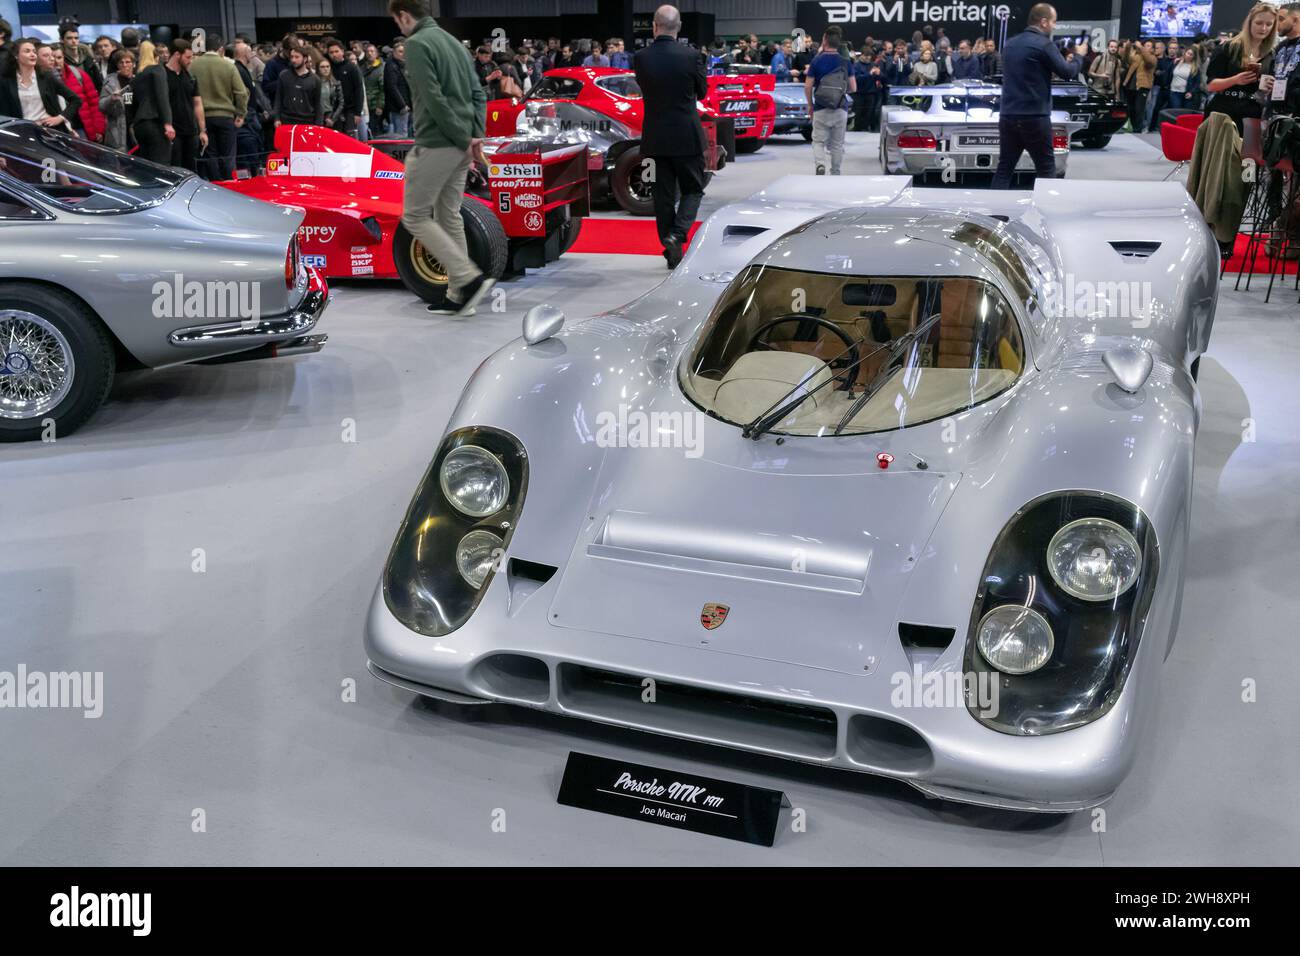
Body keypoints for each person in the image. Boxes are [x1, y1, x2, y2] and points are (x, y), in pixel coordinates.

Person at [388, 0, 494, 315]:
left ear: (404, 16)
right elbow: (478, 94)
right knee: (448, 216)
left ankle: (466, 278)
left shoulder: (417, 44)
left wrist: (462, 139)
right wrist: (475, 136)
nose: (399, 27)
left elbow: (432, 98)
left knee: (415, 216)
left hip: (438, 143)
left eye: (398, 21)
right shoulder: (453, 43)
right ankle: (459, 296)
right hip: (460, 143)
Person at [634, 5, 708, 270]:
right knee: (693, 189)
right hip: (687, 138)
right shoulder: (692, 57)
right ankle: (677, 234)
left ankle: (671, 251)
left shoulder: (641, 57)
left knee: (662, 196)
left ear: (654, 26)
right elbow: (703, 93)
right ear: (678, 27)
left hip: (654, 140)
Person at [992, 4, 1079, 189]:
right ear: (1044, 22)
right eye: (1054, 22)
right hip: (1034, 117)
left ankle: (995, 215)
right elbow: (1067, 72)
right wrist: (1079, 57)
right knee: (1046, 169)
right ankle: (1047, 214)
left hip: (1008, 115)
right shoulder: (1044, 45)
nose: (1054, 26)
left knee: (1004, 168)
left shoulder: (1010, 44)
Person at [1205, 3, 1277, 132]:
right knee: (1221, 151)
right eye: (1259, 23)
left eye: (1269, 24)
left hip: (1252, 113)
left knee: (1246, 152)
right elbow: (1211, 85)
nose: (1264, 28)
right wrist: (1235, 80)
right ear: (1249, 22)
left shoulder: (1271, 55)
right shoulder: (1228, 48)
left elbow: (1265, 93)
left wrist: (1270, 88)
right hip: (1223, 111)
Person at [188, 34, 247, 180]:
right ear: (220, 49)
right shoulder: (228, 65)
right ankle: (230, 186)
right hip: (226, 117)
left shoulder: (193, 65)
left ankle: (216, 186)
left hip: (202, 119)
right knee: (228, 156)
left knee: (210, 155)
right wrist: (241, 113)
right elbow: (241, 92)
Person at [0, 38, 80, 132]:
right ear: (16, 55)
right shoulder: (6, 81)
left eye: (34, 51)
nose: (33, 54)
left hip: (49, 130)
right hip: (22, 132)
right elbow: (4, 113)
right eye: (27, 51)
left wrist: (60, 118)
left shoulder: (47, 77)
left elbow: (76, 99)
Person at [806, 26, 855, 176]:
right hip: (840, 108)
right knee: (837, 144)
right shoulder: (846, 62)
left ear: (825, 40)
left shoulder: (816, 61)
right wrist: (839, 91)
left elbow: (807, 86)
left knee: (818, 141)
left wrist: (810, 105)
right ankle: (835, 172)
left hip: (821, 108)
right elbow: (853, 87)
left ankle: (820, 165)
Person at [165, 39, 205, 172]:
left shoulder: (190, 76)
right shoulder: (162, 75)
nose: (190, 61)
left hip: (191, 131)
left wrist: (202, 130)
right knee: (175, 168)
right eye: (187, 57)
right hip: (173, 131)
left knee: (191, 169)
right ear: (177, 55)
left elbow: (198, 103)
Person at [128, 47, 173, 163]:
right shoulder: (158, 70)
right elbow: (162, 96)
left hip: (139, 126)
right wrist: (168, 122)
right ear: (156, 56)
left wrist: (131, 122)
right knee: (161, 165)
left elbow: (129, 102)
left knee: (147, 166)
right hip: (154, 122)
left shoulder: (136, 76)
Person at [52, 46, 104, 142]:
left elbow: (94, 102)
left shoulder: (78, 74)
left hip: (81, 127)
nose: (55, 61)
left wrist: (98, 128)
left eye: (59, 57)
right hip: (59, 129)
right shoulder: (43, 79)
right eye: (52, 57)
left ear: (64, 58)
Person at [1260, 2, 1300, 116]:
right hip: (1273, 113)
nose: (1276, 24)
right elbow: (1272, 75)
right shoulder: (1280, 47)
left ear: (1295, 20)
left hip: (1295, 115)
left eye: (1281, 19)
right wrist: (1267, 84)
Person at [273, 46, 323, 127]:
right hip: (286, 120)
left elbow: (318, 104)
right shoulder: (284, 75)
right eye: (292, 57)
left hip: (307, 121)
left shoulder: (315, 79)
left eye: (297, 57)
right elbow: (278, 99)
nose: (293, 60)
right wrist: (276, 118)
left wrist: (318, 125)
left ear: (305, 59)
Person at [326, 38, 365, 136]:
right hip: (333, 111)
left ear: (342, 51)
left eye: (336, 51)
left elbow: (359, 90)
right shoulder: (328, 67)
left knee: (350, 139)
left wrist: (358, 112)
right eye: (331, 52)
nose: (334, 55)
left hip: (350, 110)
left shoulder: (352, 67)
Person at [99, 49, 136, 150]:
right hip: (117, 129)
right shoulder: (110, 82)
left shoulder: (138, 80)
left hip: (135, 127)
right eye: (121, 62)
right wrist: (111, 99)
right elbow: (101, 106)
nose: (124, 65)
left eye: (128, 62)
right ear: (117, 65)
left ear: (133, 64)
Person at [385, 40, 411, 135]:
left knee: (407, 134)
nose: (403, 54)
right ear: (394, 52)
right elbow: (392, 87)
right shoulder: (391, 65)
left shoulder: (404, 64)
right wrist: (402, 105)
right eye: (400, 51)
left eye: (404, 51)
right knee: (401, 136)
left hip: (408, 105)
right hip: (399, 107)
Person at [318, 58, 344, 129]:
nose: (325, 69)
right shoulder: (314, 83)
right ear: (318, 69)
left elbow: (341, 103)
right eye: (322, 67)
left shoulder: (335, 83)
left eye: (327, 66)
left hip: (332, 115)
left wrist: (333, 118)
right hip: (319, 117)